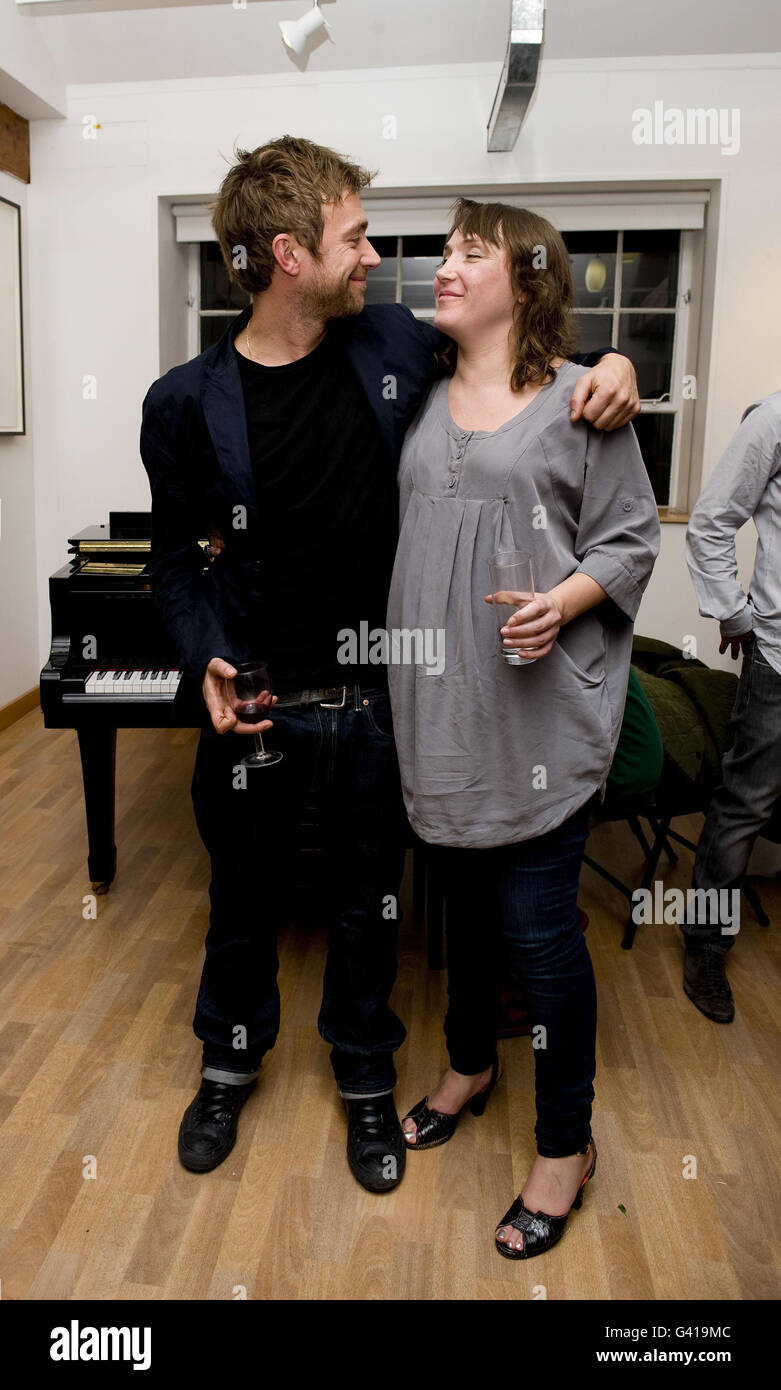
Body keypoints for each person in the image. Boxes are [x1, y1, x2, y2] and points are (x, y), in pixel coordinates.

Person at [139, 136, 640, 1195]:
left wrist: (613, 367)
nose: (375, 258)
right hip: (263, 704)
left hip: (380, 708)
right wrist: (203, 662)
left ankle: (366, 1078)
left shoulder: (397, 347)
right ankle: (227, 1064)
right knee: (241, 900)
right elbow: (176, 565)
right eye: (354, 236)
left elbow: (525, 366)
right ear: (287, 253)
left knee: (370, 909)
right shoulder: (183, 402)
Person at [387, 198, 660, 1256]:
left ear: (528, 280)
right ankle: (469, 1064)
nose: (443, 269)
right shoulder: (413, 385)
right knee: (459, 913)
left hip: (535, 725)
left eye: (469, 255)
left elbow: (631, 541)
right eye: (444, 253)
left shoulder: (581, 405)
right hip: (436, 716)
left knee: (545, 945)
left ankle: (565, 1144)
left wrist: (568, 599)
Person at [683, 391, 781, 1023]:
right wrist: (735, 612)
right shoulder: (774, 417)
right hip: (779, 658)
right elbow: (712, 518)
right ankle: (704, 946)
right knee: (746, 803)